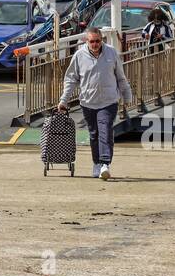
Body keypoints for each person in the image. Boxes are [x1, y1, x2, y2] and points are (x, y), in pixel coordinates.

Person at [57, 26, 134, 180]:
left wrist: (127, 97)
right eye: (92, 41)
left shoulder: (111, 52)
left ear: (102, 40)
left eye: (98, 41)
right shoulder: (79, 56)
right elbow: (71, 79)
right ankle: (97, 163)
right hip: (88, 102)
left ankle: (105, 164)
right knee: (94, 134)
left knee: (105, 129)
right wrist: (64, 100)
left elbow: (121, 76)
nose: (95, 44)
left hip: (108, 101)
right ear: (87, 41)